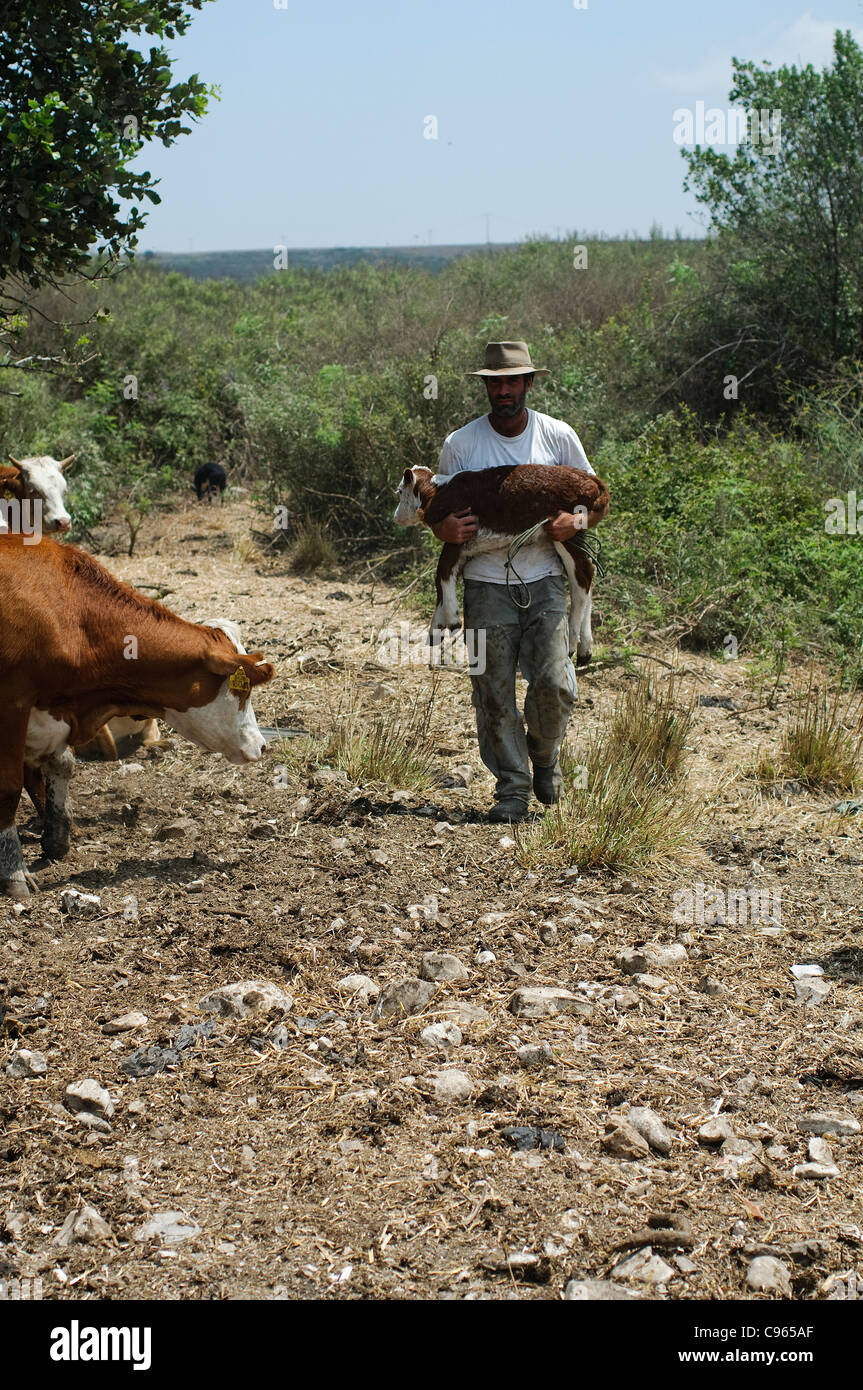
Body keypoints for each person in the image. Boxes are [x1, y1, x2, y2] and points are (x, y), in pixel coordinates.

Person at [432, 340, 595, 823]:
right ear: (487, 387)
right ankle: (513, 789)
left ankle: (544, 757)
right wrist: (441, 529)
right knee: (493, 691)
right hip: (483, 586)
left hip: (545, 581)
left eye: (511, 381)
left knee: (555, 685)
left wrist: (575, 524)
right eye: (494, 383)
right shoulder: (461, 445)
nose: (503, 391)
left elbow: (596, 502)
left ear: (527, 383)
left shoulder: (557, 437)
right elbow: (440, 513)